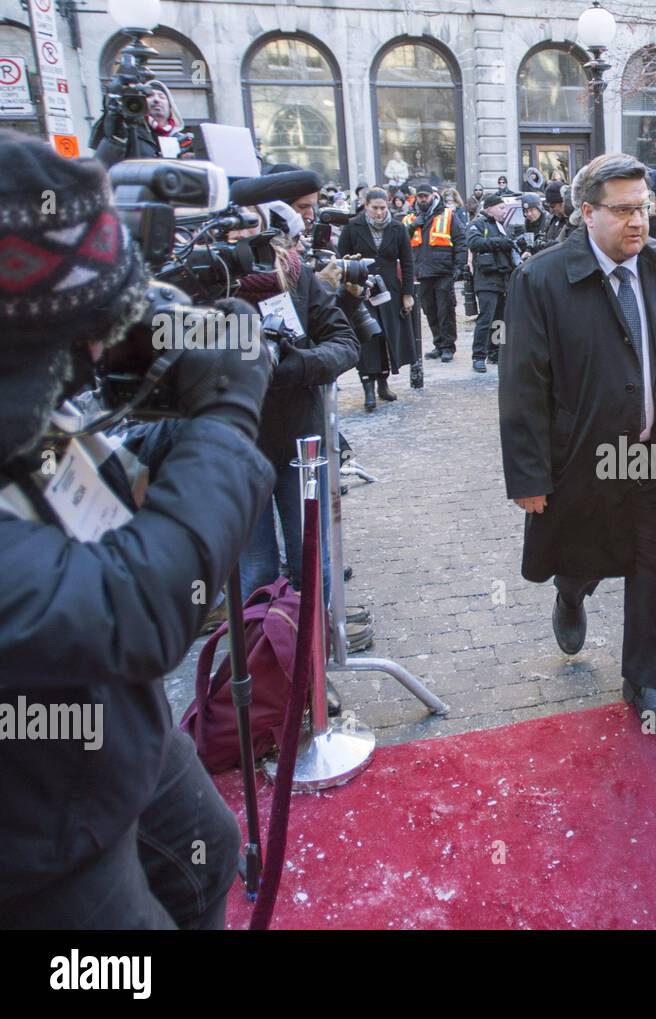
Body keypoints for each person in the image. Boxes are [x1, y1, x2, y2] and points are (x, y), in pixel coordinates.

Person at [0, 134, 275, 928]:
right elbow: (139, 603)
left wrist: (191, 405)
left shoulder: (23, 424)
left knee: (207, 849)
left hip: (105, 736)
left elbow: (87, 471)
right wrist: (225, 421)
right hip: (35, 841)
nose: (99, 354)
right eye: (88, 337)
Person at [499, 152, 656, 735]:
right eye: (625, 210)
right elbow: (522, 385)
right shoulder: (542, 278)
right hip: (581, 454)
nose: (640, 221)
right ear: (587, 213)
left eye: (646, 207)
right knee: (583, 552)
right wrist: (528, 476)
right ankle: (571, 592)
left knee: (650, 563)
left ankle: (645, 681)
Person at [231, 195, 359, 601]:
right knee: (256, 569)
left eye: (248, 224)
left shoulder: (297, 275)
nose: (238, 234)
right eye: (229, 226)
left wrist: (293, 364)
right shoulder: (201, 284)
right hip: (233, 445)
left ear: (266, 229)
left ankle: (312, 654)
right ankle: (260, 654)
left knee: (311, 563)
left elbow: (344, 343)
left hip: (298, 441)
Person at [336, 188, 418, 408]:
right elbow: (340, 261)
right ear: (366, 206)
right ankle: (368, 389)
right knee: (368, 337)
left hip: (390, 290)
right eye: (375, 208)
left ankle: (383, 383)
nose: (379, 212)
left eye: (383, 208)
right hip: (361, 290)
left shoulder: (398, 228)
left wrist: (407, 294)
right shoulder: (353, 227)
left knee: (387, 336)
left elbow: (408, 263)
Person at [407, 184, 467, 364]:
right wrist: (411, 227)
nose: (423, 199)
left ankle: (448, 346)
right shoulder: (411, 218)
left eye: (425, 196)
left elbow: (460, 241)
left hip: (444, 271)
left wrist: (459, 266)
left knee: (445, 311)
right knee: (430, 311)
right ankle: (439, 344)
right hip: (422, 273)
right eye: (420, 197)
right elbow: (399, 241)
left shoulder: (448, 215)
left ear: (433, 196)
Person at [467, 193, 520, 373]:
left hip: (502, 279)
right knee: (486, 319)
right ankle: (478, 356)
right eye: (501, 207)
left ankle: (497, 352)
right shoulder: (478, 224)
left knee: (500, 320)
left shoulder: (500, 226)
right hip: (486, 280)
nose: (504, 211)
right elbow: (474, 243)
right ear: (489, 208)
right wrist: (500, 242)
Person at [542, 182, 567, 246]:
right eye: (548, 206)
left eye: (553, 206)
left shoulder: (572, 222)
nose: (551, 210)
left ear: (563, 203)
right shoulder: (551, 220)